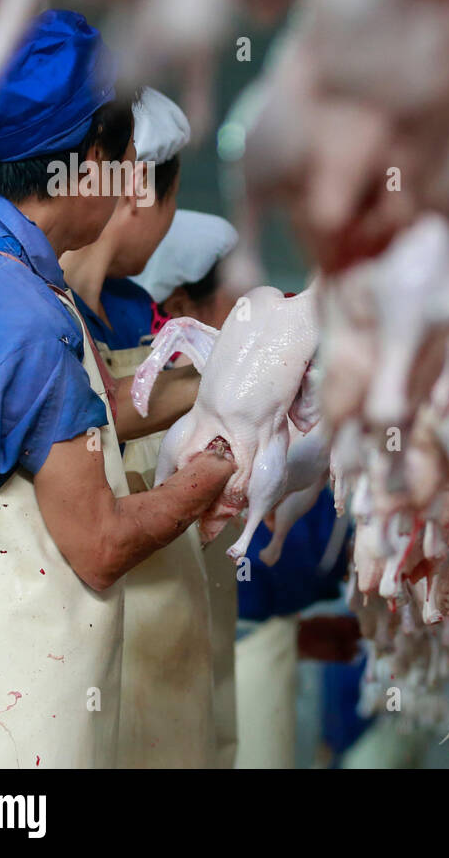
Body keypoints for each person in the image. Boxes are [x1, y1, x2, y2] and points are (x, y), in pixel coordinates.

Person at [0, 10, 234, 769]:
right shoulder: (22, 314)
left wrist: (224, 374)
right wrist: (214, 470)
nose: (124, 195)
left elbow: (94, 415)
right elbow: (101, 544)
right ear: (85, 161)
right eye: (118, 164)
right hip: (10, 705)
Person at [133, 210, 353, 768]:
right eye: (238, 313)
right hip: (169, 653)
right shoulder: (176, 401)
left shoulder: (264, 389)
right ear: (183, 308)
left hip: (228, 641)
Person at [60, 88, 225, 767]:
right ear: (135, 189)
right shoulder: (44, 308)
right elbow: (109, 413)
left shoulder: (137, 311)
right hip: (77, 617)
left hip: (166, 615)